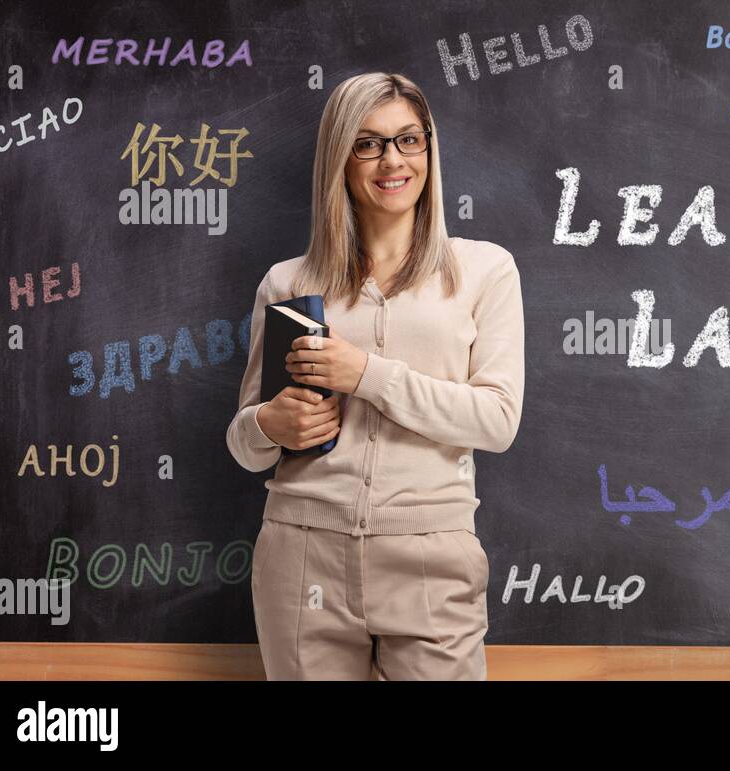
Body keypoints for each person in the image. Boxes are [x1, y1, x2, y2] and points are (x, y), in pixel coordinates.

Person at [224, 72, 524, 681]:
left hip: (431, 555)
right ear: (340, 157)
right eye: (368, 143)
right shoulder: (288, 284)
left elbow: (497, 420)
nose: (393, 160)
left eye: (409, 140)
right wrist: (269, 423)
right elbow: (245, 446)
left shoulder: (485, 271)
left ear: (429, 149)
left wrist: (367, 375)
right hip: (302, 553)